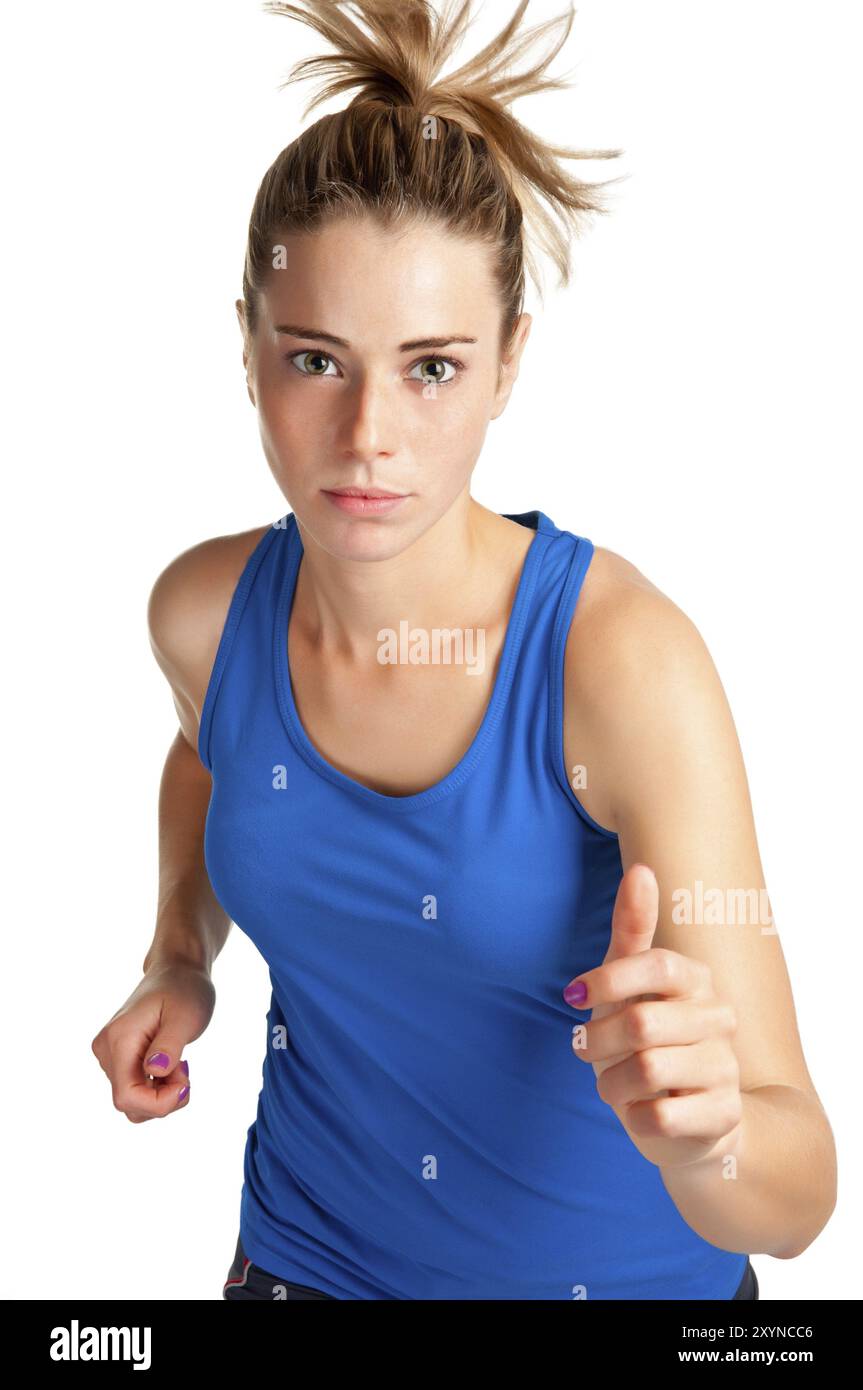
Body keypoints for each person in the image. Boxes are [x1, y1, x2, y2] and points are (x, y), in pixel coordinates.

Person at [91, 0, 836, 1300]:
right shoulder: (204, 613)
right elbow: (209, 746)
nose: (369, 430)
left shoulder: (622, 666)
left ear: (507, 368)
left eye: (431, 368)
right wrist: (178, 952)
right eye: (316, 358)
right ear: (248, 353)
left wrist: (712, 1133)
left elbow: (799, 1194)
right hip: (296, 1269)